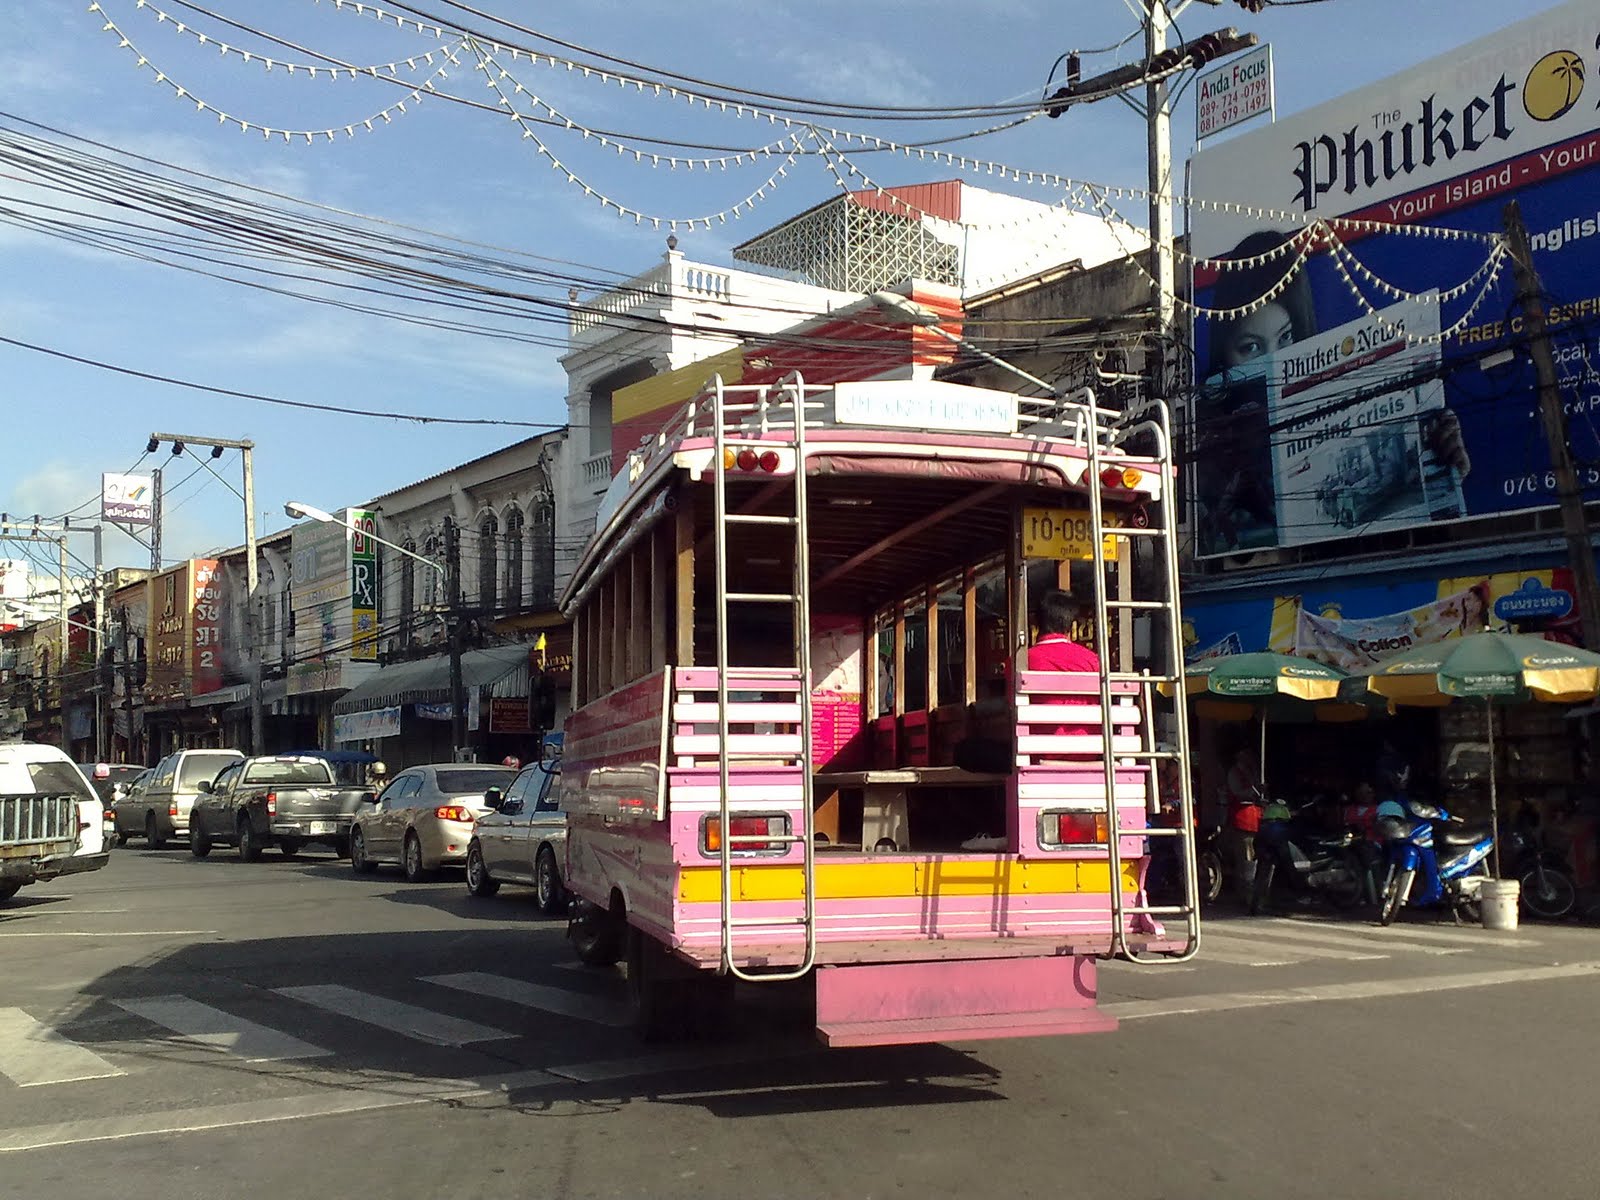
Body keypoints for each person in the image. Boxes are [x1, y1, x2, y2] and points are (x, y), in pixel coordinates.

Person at [1026, 589, 1101, 743]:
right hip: (1087, 748)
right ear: (1071, 625)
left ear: (1036, 621)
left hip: (1036, 749)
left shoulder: (1021, 661)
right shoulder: (1092, 661)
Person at [1222, 745, 1263, 903]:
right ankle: (1245, 894)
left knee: (1253, 857)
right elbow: (1238, 792)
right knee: (1245, 858)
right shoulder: (1235, 773)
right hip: (1242, 820)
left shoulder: (1252, 773)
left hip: (1256, 819)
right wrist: (1254, 792)